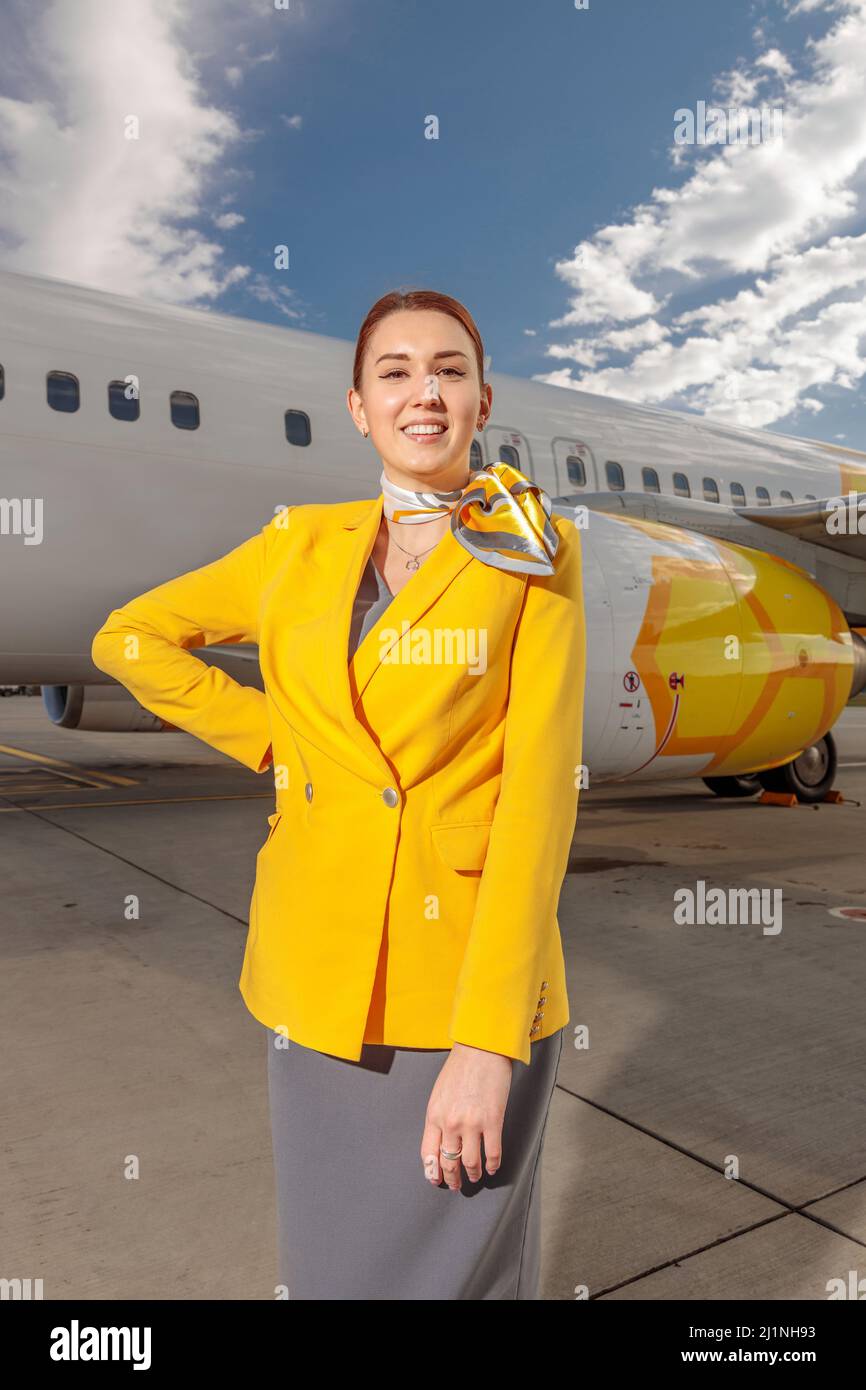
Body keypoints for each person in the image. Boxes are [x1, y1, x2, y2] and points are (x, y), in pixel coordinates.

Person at [90, 287, 587, 1300]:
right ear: (357, 406)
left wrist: (487, 1043)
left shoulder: (530, 550)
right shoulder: (296, 545)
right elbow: (129, 639)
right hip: (311, 984)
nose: (423, 394)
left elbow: (538, 800)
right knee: (331, 1273)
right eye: (393, 373)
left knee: (462, 1275)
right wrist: (276, 742)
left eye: (447, 371)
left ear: (481, 399)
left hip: (461, 984)